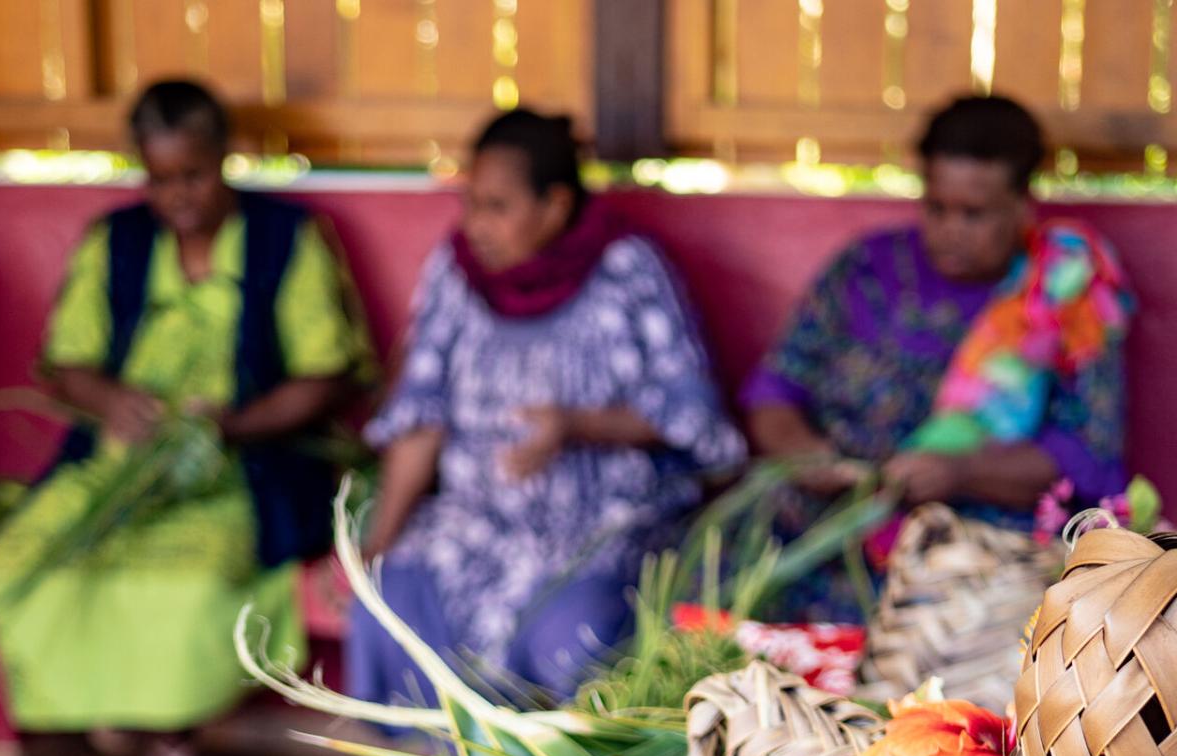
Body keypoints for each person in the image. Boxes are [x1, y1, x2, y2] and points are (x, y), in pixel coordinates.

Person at [0, 79, 371, 756]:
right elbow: (67, 363)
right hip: (118, 465)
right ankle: (111, 706)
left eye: (192, 174)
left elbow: (329, 376)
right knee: (13, 567)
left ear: (226, 157)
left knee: (183, 584)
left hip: (244, 473)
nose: (177, 197)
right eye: (159, 179)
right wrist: (112, 399)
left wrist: (235, 424)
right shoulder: (115, 241)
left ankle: (170, 729)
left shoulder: (288, 239)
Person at [344, 108, 744, 707]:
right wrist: (376, 543)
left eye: (497, 207)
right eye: (471, 203)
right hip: (476, 518)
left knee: (570, 625)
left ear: (555, 205)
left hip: (603, 522)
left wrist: (576, 426)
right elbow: (420, 419)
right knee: (396, 585)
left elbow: (694, 418)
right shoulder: (456, 271)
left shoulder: (629, 269)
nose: (475, 224)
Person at [743, 94, 1132, 618]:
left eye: (974, 214)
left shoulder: (1062, 292)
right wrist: (812, 458)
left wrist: (960, 472)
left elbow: (1087, 455)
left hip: (969, 564)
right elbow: (775, 393)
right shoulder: (866, 270)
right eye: (936, 207)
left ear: (1022, 203)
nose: (950, 229)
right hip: (828, 534)